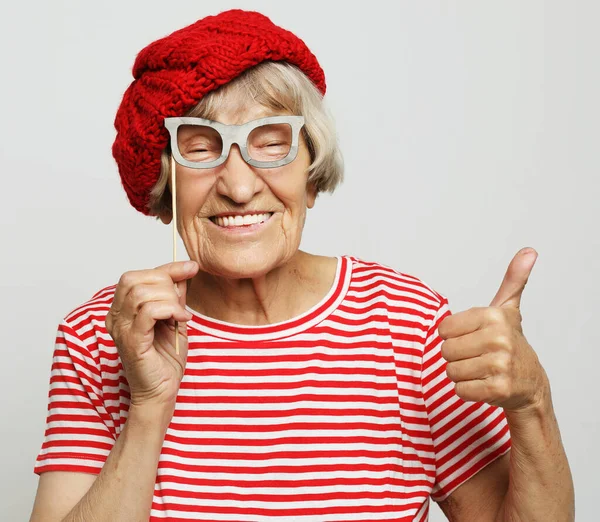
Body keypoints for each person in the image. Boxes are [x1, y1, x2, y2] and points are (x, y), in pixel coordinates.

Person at [29, 8, 574, 522]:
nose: (240, 187)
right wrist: (148, 405)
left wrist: (532, 404)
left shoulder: (405, 324)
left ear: (311, 176)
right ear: (165, 188)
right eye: (201, 147)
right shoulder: (99, 338)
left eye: (271, 143)